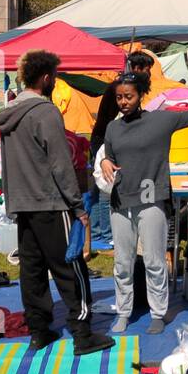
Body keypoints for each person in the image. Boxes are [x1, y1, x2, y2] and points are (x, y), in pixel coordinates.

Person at [0, 50, 114, 356]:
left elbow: (6, 164)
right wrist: (78, 207)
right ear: (46, 78)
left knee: (32, 270)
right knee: (70, 266)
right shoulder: (45, 113)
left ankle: (39, 331)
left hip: (23, 203)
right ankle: (83, 333)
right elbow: (60, 163)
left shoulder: (9, 114)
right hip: (51, 202)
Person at [101, 71, 188, 334]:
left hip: (152, 199)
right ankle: (122, 311)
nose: (123, 102)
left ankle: (157, 312)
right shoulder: (113, 127)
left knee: (154, 260)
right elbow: (108, 154)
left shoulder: (161, 121)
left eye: (128, 97)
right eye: (119, 97)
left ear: (141, 95)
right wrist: (105, 161)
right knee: (122, 263)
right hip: (121, 202)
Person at [86, 82, 121, 256]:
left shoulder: (110, 97)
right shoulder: (114, 118)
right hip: (102, 144)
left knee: (98, 190)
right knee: (105, 191)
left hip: (98, 140)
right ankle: (107, 235)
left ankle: (97, 232)